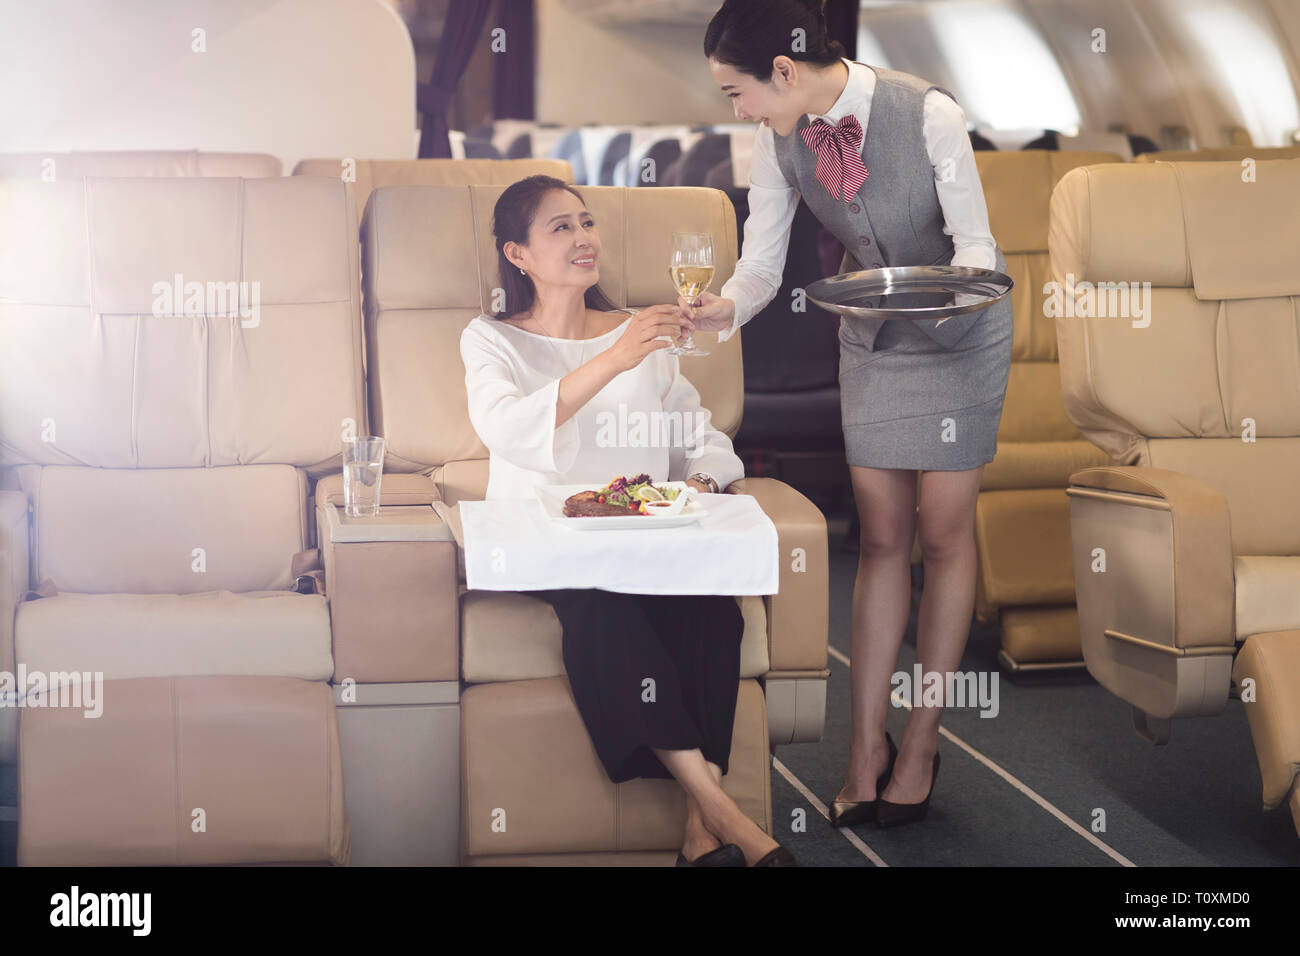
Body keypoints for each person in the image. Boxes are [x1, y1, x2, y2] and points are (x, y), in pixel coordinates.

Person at [682, 0, 1013, 828]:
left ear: (784, 72)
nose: (738, 109)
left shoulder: (928, 113)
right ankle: (867, 745)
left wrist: (928, 296)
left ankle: (924, 740)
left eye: (737, 92)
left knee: (943, 534)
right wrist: (722, 311)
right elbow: (760, 264)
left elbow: (974, 248)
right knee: (880, 536)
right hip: (872, 334)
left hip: (961, 330)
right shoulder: (780, 138)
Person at [459, 174, 797, 866]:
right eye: (560, 227)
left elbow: (695, 431)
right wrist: (613, 359)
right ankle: (727, 812)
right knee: (601, 615)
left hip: (649, 536)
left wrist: (701, 480)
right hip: (553, 541)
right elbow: (509, 429)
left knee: (714, 613)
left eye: (587, 223)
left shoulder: (645, 331)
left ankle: (703, 831)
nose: (584, 239)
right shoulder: (492, 341)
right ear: (517, 254)